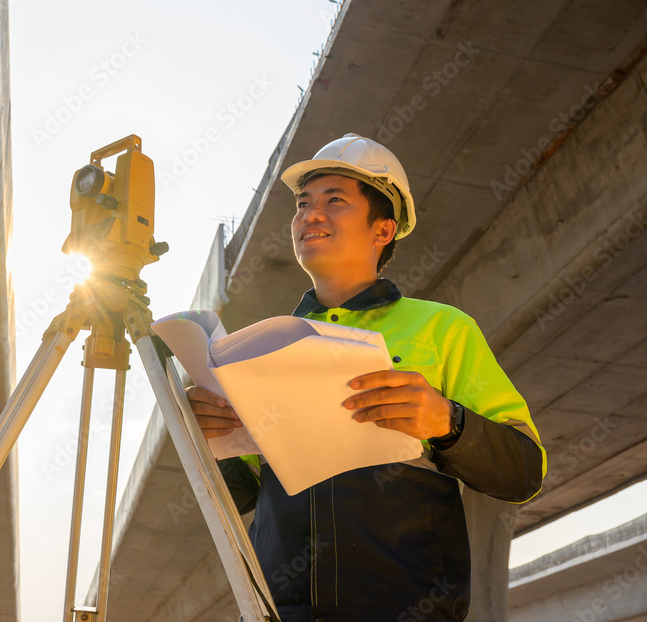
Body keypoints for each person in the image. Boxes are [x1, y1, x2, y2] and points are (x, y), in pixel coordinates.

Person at [188, 133, 545, 622]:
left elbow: (523, 471)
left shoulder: (442, 328)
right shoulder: (262, 350)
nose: (309, 214)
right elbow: (246, 494)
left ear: (384, 230)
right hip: (281, 613)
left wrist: (447, 420)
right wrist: (206, 437)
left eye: (334, 201)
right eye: (302, 203)